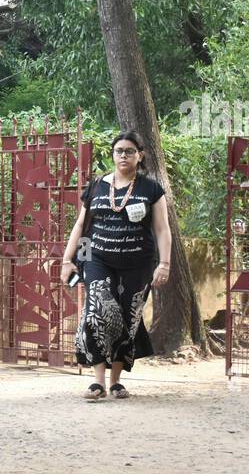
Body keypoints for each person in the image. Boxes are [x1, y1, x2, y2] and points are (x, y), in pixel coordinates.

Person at [60, 129, 171, 401]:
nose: (124, 155)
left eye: (129, 151)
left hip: (139, 264)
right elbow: (81, 225)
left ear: (140, 155)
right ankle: (96, 382)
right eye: (119, 151)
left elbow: (162, 229)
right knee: (96, 312)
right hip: (98, 260)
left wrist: (164, 264)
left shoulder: (151, 189)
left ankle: (116, 382)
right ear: (112, 155)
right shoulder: (97, 187)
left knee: (127, 319)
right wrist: (67, 260)